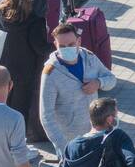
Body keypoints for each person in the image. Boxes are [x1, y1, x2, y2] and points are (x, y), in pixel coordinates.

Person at [0, 0, 53, 144]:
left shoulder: (0, 12)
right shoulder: (34, 19)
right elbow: (39, 47)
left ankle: (1, 136)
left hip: (4, 64)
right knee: (20, 107)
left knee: (4, 102)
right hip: (25, 69)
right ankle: (18, 139)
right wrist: (55, 47)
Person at [40, 21, 116, 157]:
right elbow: (46, 116)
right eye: (62, 46)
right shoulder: (50, 73)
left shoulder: (89, 58)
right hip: (71, 141)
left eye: (71, 44)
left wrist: (98, 83)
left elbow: (111, 79)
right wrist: (64, 147)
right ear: (55, 45)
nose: (67, 49)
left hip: (96, 132)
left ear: (79, 41)